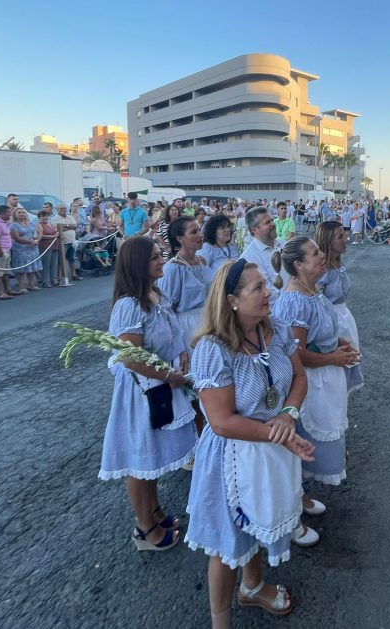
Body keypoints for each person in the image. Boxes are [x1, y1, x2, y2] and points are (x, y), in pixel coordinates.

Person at [185, 258, 314, 627]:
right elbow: (222, 421)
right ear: (231, 301)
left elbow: (299, 379)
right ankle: (220, 621)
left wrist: (288, 415)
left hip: (273, 443)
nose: (268, 291)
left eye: (265, 284)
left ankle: (253, 587)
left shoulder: (276, 328)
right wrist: (281, 434)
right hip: (233, 453)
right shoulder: (213, 348)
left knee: (259, 521)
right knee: (228, 543)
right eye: (257, 287)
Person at [99, 236, 197, 552]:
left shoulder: (154, 293)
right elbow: (131, 358)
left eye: (161, 254)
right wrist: (171, 376)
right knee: (140, 461)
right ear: (137, 264)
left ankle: (154, 511)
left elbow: (172, 331)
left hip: (161, 384)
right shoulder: (129, 305)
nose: (162, 260)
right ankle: (144, 528)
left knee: (152, 455)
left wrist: (181, 352)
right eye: (155, 256)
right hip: (142, 392)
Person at [271, 237, 359, 533]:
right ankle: (290, 513)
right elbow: (296, 353)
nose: (322, 256)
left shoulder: (313, 291)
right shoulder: (294, 300)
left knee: (310, 444)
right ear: (298, 265)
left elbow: (320, 335)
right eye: (315, 253)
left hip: (325, 378)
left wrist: (339, 343)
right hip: (309, 382)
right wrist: (333, 357)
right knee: (301, 444)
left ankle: (301, 495)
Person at [316, 221, 364, 396]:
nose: (346, 239)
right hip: (332, 323)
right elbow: (317, 302)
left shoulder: (339, 264)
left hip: (345, 320)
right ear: (328, 241)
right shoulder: (322, 272)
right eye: (340, 236)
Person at [159, 217, 214, 353]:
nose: (200, 235)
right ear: (180, 238)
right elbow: (165, 311)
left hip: (210, 321)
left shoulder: (202, 261)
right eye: (194, 232)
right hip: (188, 329)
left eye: (199, 230)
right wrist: (177, 347)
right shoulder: (172, 269)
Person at [240, 207, 281, 299]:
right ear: (254, 230)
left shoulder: (284, 244)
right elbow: (268, 291)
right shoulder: (248, 258)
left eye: (272, 220)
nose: (273, 224)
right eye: (267, 222)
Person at [10, 208, 41, 292]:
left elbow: (38, 232)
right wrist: (30, 241)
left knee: (32, 268)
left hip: (33, 248)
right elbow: (17, 238)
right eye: (19, 212)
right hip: (20, 249)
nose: (21, 214)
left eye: (23, 212)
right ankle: (22, 287)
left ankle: (32, 285)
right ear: (15, 215)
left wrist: (37, 240)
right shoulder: (13, 225)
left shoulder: (31, 223)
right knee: (22, 269)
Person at [51, 203, 80, 281]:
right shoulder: (54, 218)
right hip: (62, 242)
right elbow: (56, 229)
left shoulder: (70, 216)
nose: (63, 210)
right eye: (61, 208)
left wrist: (64, 226)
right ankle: (59, 277)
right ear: (57, 210)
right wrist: (68, 227)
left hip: (72, 241)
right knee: (61, 260)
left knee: (72, 258)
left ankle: (73, 274)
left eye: (64, 208)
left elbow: (75, 226)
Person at [36, 211, 60, 288]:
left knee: (54, 264)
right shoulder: (38, 224)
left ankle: (54, 279)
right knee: (46, 264)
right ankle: (45, 281)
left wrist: (56, 235)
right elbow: (41, 236)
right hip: (45, 247)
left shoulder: (50, 224)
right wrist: (53, 236)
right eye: (42, 216)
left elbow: (56, 232)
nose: (45, 217)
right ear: (39, 217)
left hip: (54, 246)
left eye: (46, 216)